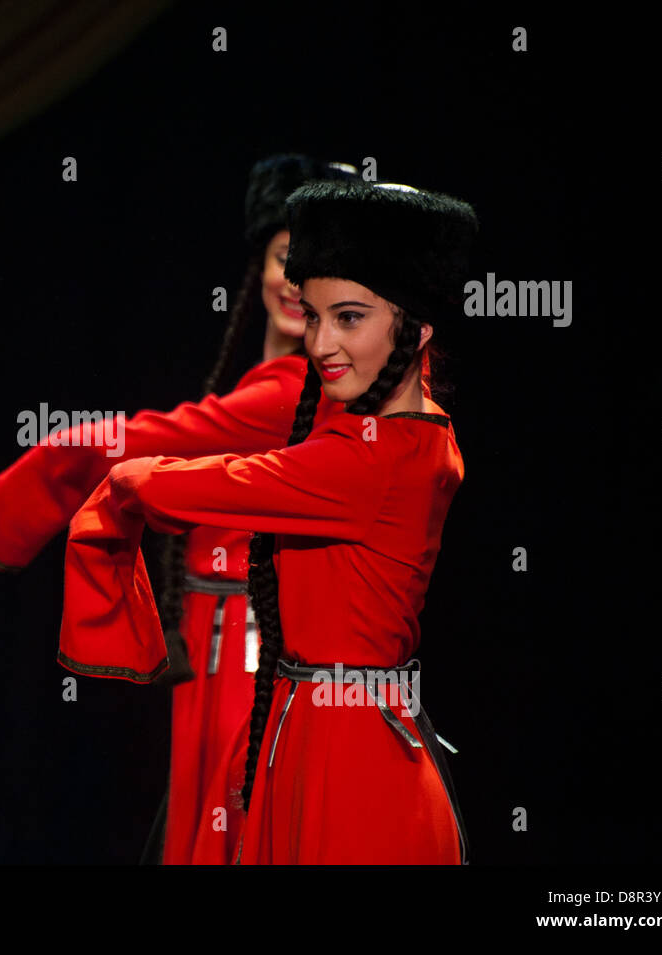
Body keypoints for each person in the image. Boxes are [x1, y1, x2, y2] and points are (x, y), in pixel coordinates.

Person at [58, 178, 476, 864]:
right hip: (312, 732)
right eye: (312, 317)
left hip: (352, 764)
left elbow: (204, 482)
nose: (321, 343)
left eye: (348, 317)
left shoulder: (382, 460)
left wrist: (120, 490)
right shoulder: (411, 438)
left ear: (415, 325)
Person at [0, 155, 357, 863]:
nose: (292, 284)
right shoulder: (270, 381)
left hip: (256, 652)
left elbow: (158, 440)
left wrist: (45, 471)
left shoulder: (298, 390)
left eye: (313, 270)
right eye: (281, 260)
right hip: (214, 643)